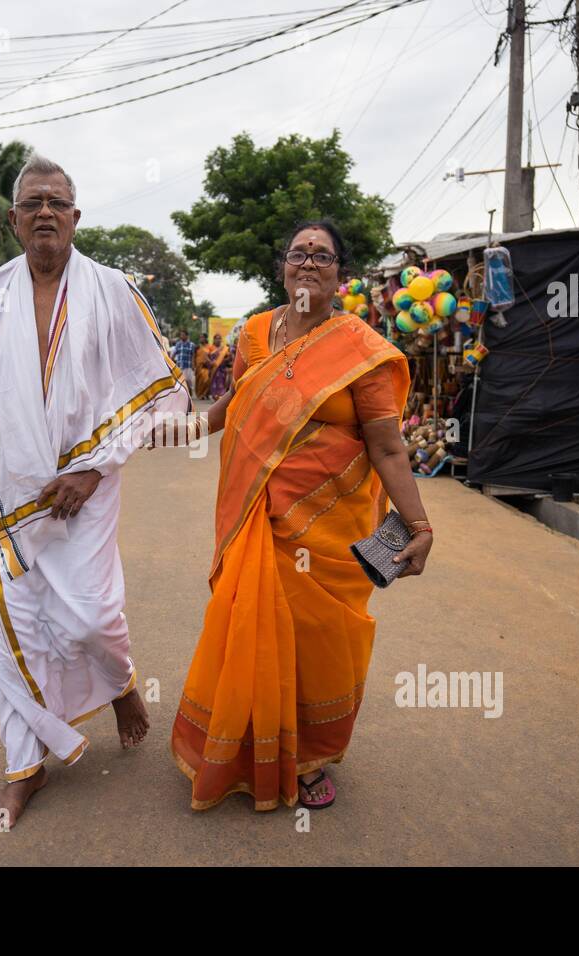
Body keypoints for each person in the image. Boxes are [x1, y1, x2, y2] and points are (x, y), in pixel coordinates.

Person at [0, 154, 192, 828]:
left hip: (87, 491)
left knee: (90, 617)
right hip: (9, 498)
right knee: (11, 630)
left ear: (75, 218)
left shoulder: (112, 290)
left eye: (58, 202)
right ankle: (25, 769)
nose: (46, 211)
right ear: (13, 221)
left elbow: (159, 395)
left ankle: (119, 682)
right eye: (33, 202)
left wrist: (94, 469)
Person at [171, 219, 433, 811]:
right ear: (283, 268)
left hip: (329, 524)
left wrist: (420, 525)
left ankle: (310, 755)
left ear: (340, 275)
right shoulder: (257, 333)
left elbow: (388, 446)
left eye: (323, 255)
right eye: (298, 253)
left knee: (317, 634)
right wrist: (182, 430)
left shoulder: (358, 349)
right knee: (247, 621)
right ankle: (241, 742)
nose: (308, 262)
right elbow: (236, 402)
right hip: (258, 515)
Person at [171, 330, 196, 402]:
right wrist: (171, 362)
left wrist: (193, 365)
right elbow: (174, 354)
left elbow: (193, 356)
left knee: (189, 381)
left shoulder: (192, 345)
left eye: (183, 335)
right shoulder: (178, 344)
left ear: (187, 336)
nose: (181, 336)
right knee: (181, 381)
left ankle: (190, 395)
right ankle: (185, 396)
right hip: (180, 365)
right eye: (181, 335)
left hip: (188, 366)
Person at [209, 335, 232, 400]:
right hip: (214, 369)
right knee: (214, 383)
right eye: (216, 339)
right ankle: (215, 395)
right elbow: (208, 357)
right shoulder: (211, 348)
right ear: (214, 340)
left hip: (222, 369)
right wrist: (211, 362)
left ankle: (221, 396)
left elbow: (229, 358)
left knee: (221, 382)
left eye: (219, 339)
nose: (218, 340)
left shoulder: (224, 348)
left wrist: (224, 360)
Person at [193, 333, 212, 400]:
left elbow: (211, 356)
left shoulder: (209, 347)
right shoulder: (197, 347)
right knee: (199, 381)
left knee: (206, 380)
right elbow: (194, 357)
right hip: (198, 367)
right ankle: (200, 394)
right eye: (200, 337)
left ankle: (205, 394)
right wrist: (194, 365)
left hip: (206, 366)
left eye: (202, 337)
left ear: (205, 338)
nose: (201, 339)